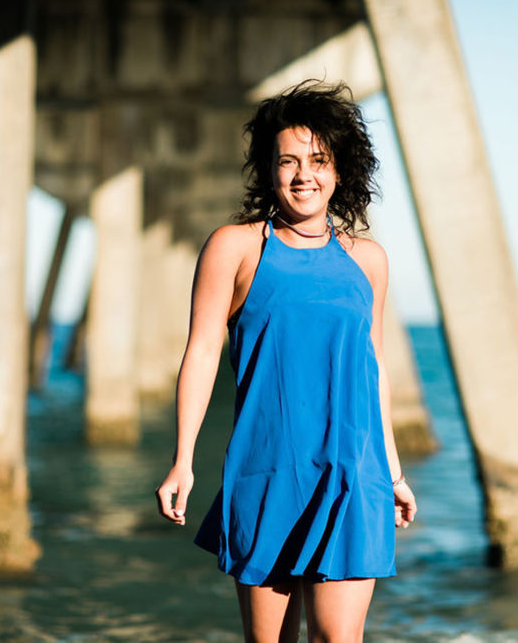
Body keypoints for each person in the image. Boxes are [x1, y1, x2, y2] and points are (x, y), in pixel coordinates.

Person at [153, 79, 419, 643]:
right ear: (268, 170)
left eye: (319, 161)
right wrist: (183, 460)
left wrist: (392, 471)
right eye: (289, 161)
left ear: (341, 170)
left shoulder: (368, 260)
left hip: (353, 474)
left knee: (338, 640)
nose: (304, 175)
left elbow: (371, 366)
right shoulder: (236, 246)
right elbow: (201, 351)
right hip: (267, 470)